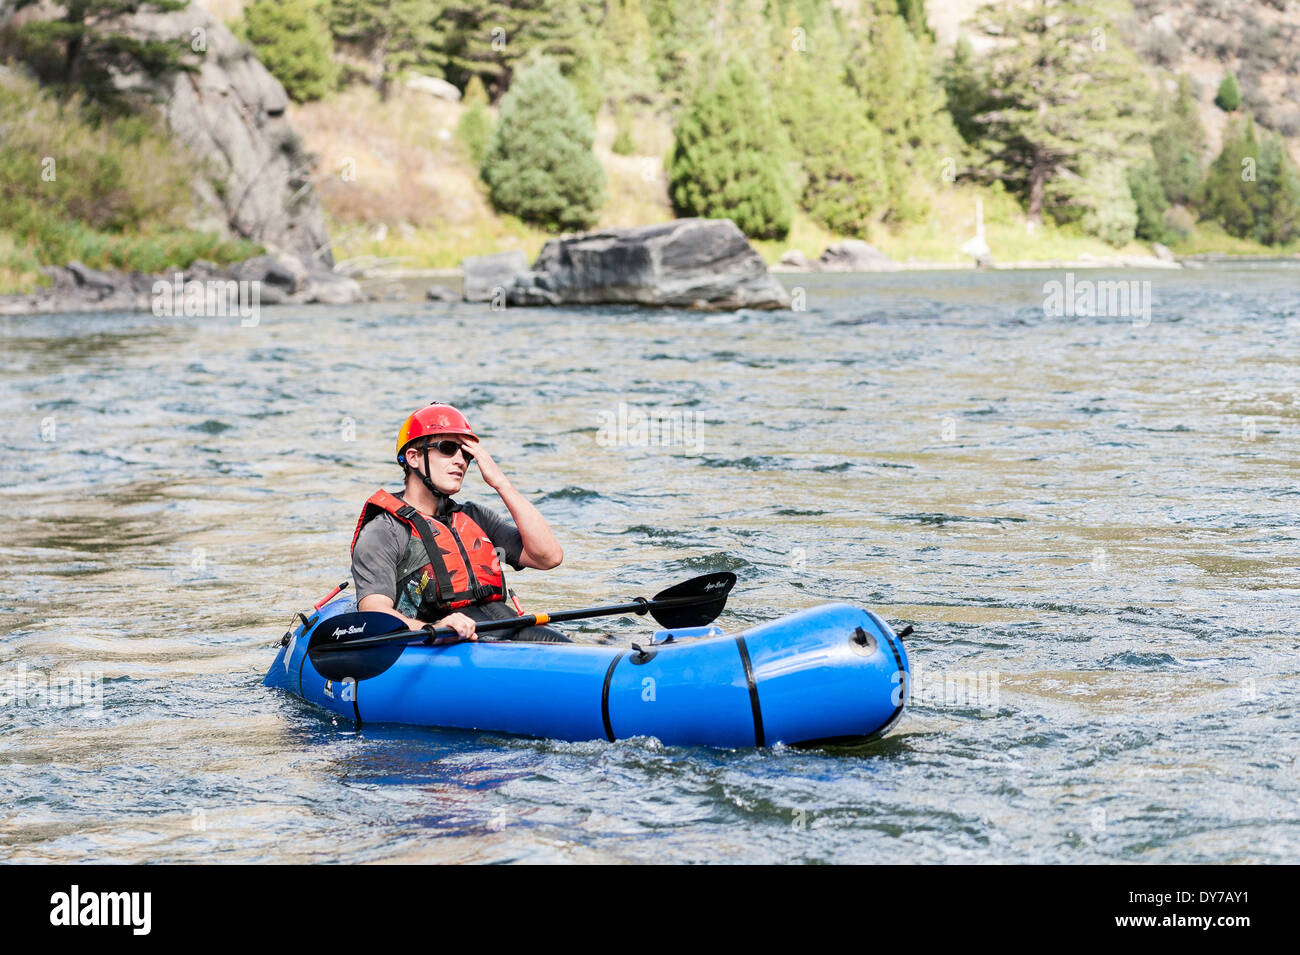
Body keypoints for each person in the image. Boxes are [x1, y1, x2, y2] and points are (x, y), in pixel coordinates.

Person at [350, 403, 567, 643]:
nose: (460, 461)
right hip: (445, 642)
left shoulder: (476, 517)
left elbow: (548, 557)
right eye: (448, 448)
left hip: (503, 627)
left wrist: (500, 483)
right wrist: (432, 628)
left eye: (466, 454)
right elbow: (374, 611)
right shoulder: (384, 531)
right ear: (413, 457)